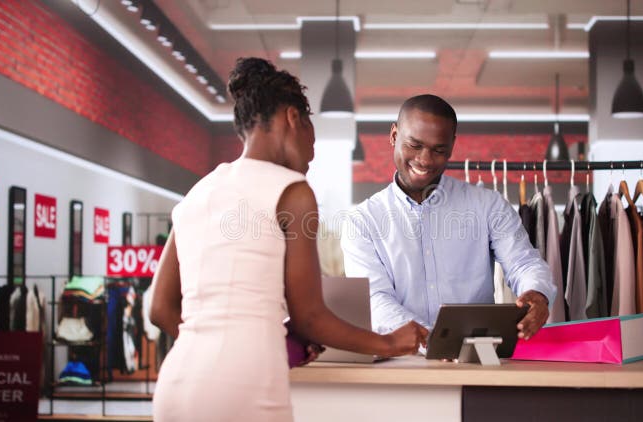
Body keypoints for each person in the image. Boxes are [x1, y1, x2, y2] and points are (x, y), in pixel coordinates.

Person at [150, 58, 427, 422]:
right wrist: (391, 342)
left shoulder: (198, 194)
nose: (312, 154)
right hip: (243, 389)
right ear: (294, 119)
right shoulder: (292, 191)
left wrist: (259, 340)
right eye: (312, 134)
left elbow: (160, 308)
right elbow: (309, 316)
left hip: (176, 384)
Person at [341, 94, 556, 341]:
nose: (424, 160)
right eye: (415, 145)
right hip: (400, 363)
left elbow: (523, 263)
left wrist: (536, 293)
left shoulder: (488, 206)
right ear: (393, 136)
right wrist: (435, 340)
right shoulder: (363, 221)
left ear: (452, 145)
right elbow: (375, 299)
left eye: (438, 150)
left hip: (475, 359)